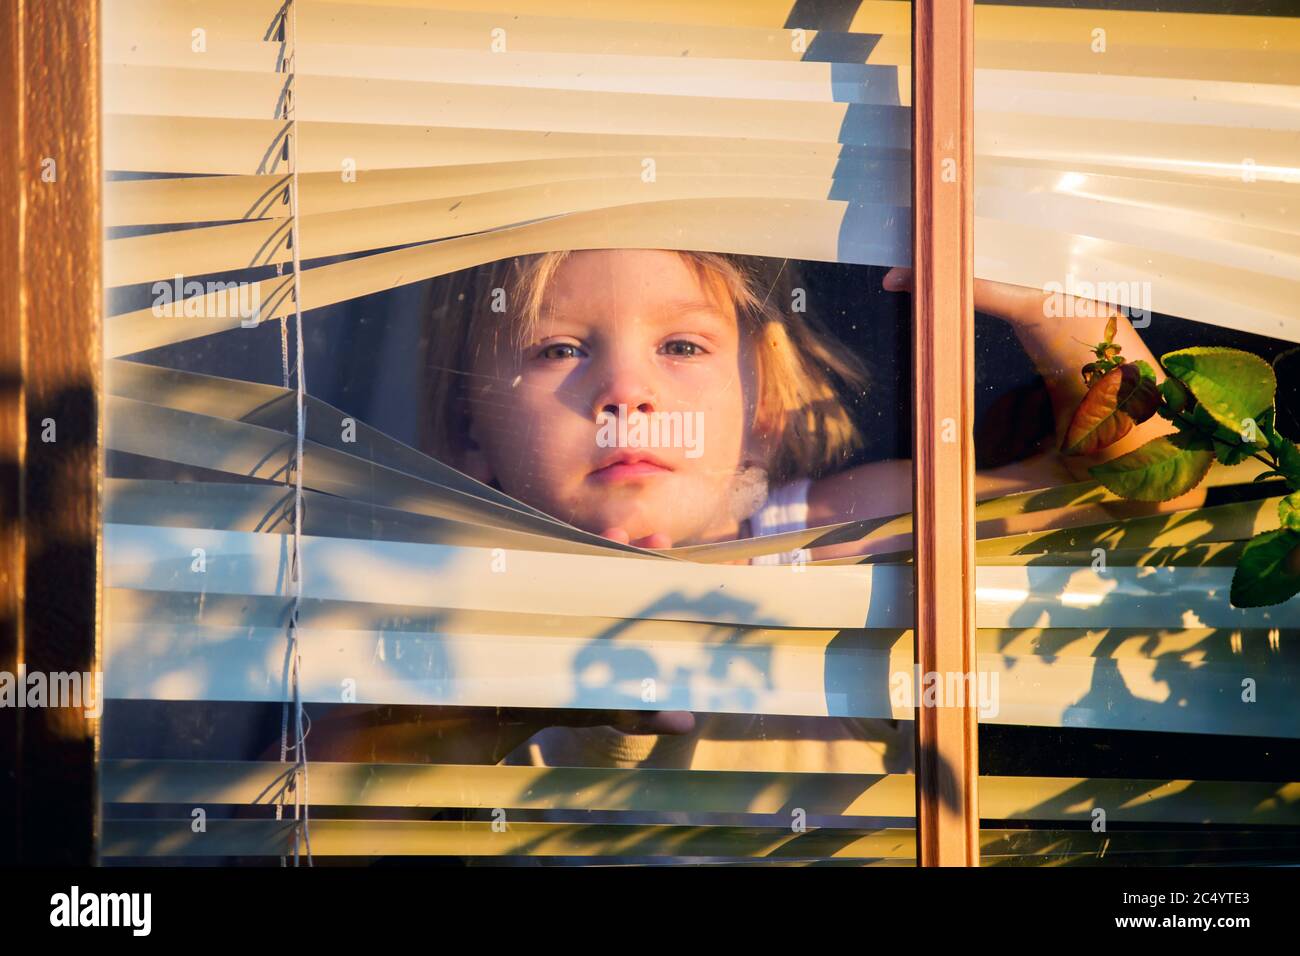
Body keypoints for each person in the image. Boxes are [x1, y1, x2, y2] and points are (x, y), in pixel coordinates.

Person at [304, 248, 1203, 774]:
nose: (626, 391)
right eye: (560, 349)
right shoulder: (453, 605)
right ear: (471, 433)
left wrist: (1053, 310)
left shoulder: (824, 543)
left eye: (681, 345)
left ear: (763, 408)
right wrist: (504, 705)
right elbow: (318, 807)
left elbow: (1137, 498)